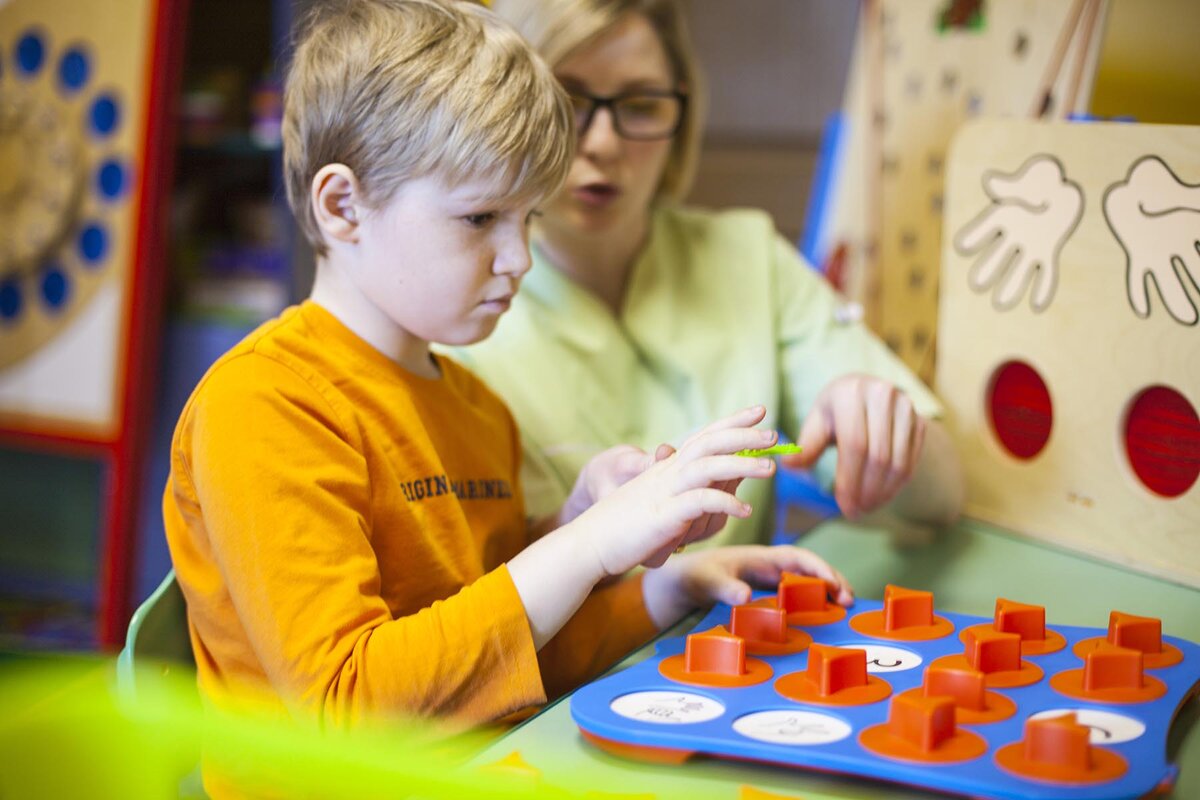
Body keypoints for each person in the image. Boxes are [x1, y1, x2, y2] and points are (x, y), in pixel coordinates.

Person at [162, 2, 853, 787]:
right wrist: (584, 545)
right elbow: (346, 708)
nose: (519, 258)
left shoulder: (477, 406)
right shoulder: (267, 403)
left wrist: (662, 582)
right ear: (342, 206)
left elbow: (503, 659)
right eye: (482, 217)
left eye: (529, 217)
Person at [451, 0, 966, 549]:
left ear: (683, 114)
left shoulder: (746, 258)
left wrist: (890, 430)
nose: (602, 143)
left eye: (643, 106)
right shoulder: (446, 306)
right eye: (566, 100)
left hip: (744, 626)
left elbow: (943, 495)